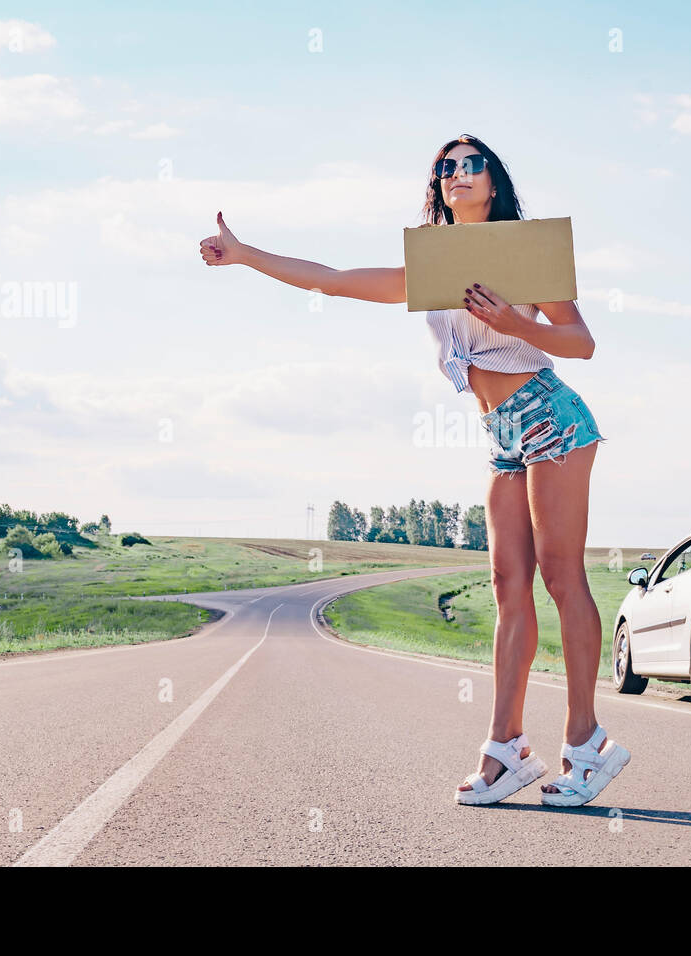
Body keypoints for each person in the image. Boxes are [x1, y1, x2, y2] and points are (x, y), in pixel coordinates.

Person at [198, 133, 629, 807]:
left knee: (558, 574)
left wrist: (520, 321)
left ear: (493, 183)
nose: (458, 172)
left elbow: (582, 342)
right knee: (506, 584)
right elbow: (332, 281)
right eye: (446, 166)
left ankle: (586, 743)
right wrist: (246, 254)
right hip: (501, 434)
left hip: (552, 416)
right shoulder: (432, 269)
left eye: (472, 163)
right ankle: (507, 748)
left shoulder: (528, 254)